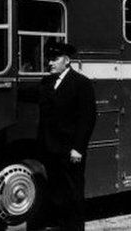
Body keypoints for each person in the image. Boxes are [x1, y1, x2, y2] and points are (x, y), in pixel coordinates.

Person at [37, 40, 96, 231]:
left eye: (55, 59)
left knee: (73, 191)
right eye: (49, 59)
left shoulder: (81, 83)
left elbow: (87, 119)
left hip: (71, 150)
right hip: (50, 148)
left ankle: (75, 228)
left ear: (67, 60)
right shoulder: (46, 83)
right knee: (56, 189)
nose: (50, 63)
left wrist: (78, 148)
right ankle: (60, 226)